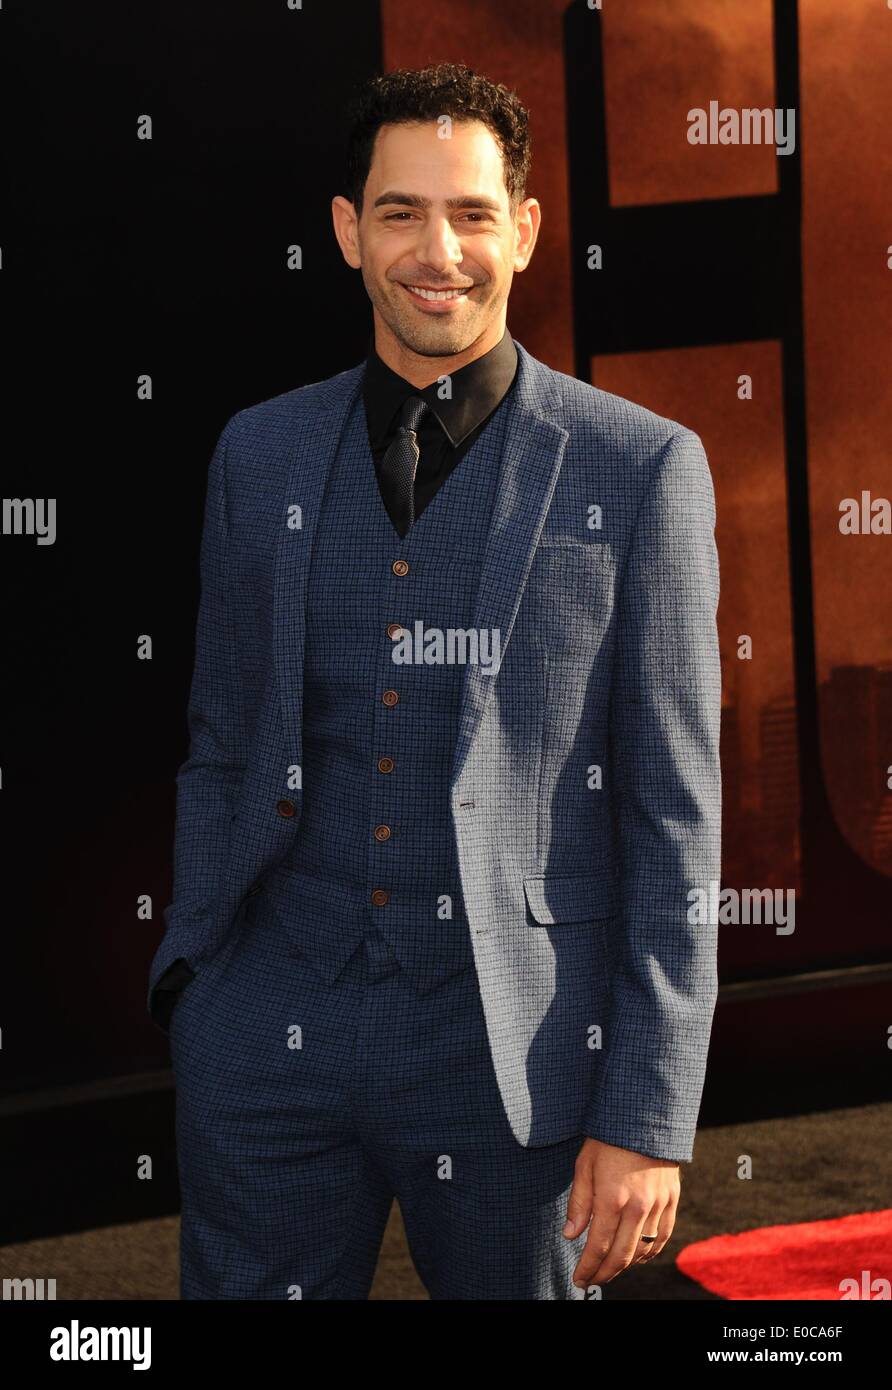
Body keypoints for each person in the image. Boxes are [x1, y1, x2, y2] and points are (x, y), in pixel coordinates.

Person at [148, 61, 722, 1300]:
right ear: (349, 231)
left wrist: (646, 1110)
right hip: (271, 1039)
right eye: (400, 212)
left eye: (470, 213)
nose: (438, 250)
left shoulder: (640, 470)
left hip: (515, 1059)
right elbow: (221, 740)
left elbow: (675, 816)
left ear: (522, 227)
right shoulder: (259, 452)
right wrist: (199, 983)